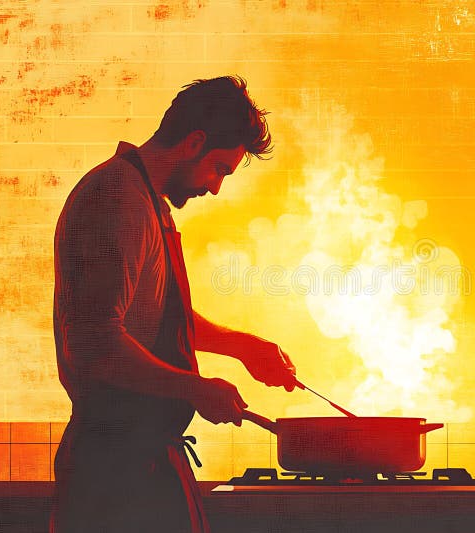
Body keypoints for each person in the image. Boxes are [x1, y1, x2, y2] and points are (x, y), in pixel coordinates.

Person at [50, 76, 296, 532]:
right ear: (194, 142)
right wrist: (196, 388)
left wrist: (243, 346)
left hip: (143, 462)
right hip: (112, 474)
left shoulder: (148, 201)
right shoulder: (116, 198)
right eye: (219, 169)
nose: (216, 188)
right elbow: (94, 340)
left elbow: (162, 316)